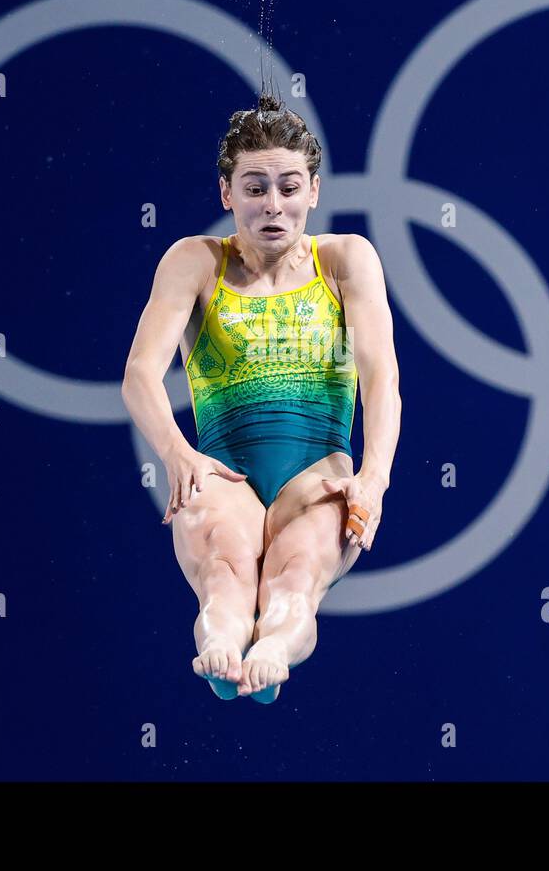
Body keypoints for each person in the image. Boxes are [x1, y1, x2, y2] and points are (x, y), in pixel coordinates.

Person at [122, 94, 401, 703]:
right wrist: (176, 452)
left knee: (295, 580)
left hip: (318, 476)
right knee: (224, 578)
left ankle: (272, 648)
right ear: (227, 194)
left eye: (288, 186)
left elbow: (383, 378)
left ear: (314, 192)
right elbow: (140, 374)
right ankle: (221, 646)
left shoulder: (346, 260)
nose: (273, 205)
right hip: (222, 471)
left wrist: (374, 477)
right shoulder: (194, 261)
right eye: (254, 188)